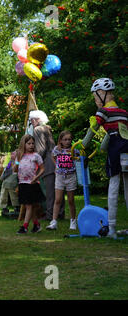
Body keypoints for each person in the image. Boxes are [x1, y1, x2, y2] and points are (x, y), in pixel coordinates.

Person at [80, 78, 128, 239]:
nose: (95, 101)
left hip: (115, 154)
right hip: (127, 151)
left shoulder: (103, 112)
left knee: (113, 188)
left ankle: (112, 228)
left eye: (95, 97)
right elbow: (116, 133)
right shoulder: (123, 113)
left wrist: (83, 145)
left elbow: (92, 131)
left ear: (103, 94)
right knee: (127, 190)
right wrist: (102, 147)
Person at [29, 110, 65, 220]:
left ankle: (49, 215)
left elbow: (41, 149)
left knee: (49, 191)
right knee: (58, 189)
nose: (31, 123)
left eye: (32, 120)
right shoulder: (47, 128)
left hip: (48, 162)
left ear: (36, 119)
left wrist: (34, 161)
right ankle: (60, 213)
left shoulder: (38, 129)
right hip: (56, 160)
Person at [46, 131, 80, 230]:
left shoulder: (74, 149)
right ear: (60, 140)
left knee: (71, 200)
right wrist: (56, 165)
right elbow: (52, 156)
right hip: (60, 177)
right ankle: (54, 222)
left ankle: (73, 221)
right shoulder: (57, 149)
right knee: (57, 200)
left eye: (69, 139)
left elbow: (79, 159)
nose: (67, 141)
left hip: (71, 176)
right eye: (65, 139)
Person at [14, 134, 45, 234]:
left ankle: (25, 227)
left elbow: (42, 168)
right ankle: (36, 225)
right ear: (24, 144)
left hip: (32, 184)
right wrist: (17, 160)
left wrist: (36, 177)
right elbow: (15, 169)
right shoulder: (20, 156)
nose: (31, 145)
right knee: (29, 206)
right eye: (29, 143)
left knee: (29, 206)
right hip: (22, 183)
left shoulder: (36, 156)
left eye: (32, 143)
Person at [0, 150, 20, 218]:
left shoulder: (17, 162)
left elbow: (15, 169)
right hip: (5, 182)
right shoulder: (9, 162)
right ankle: (4, 208)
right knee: (3, 195)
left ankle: (17, 207)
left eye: (13, 153)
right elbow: (5, 171)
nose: (11, 154)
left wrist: (17, 160)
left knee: (13, 196)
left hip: (12, 181)